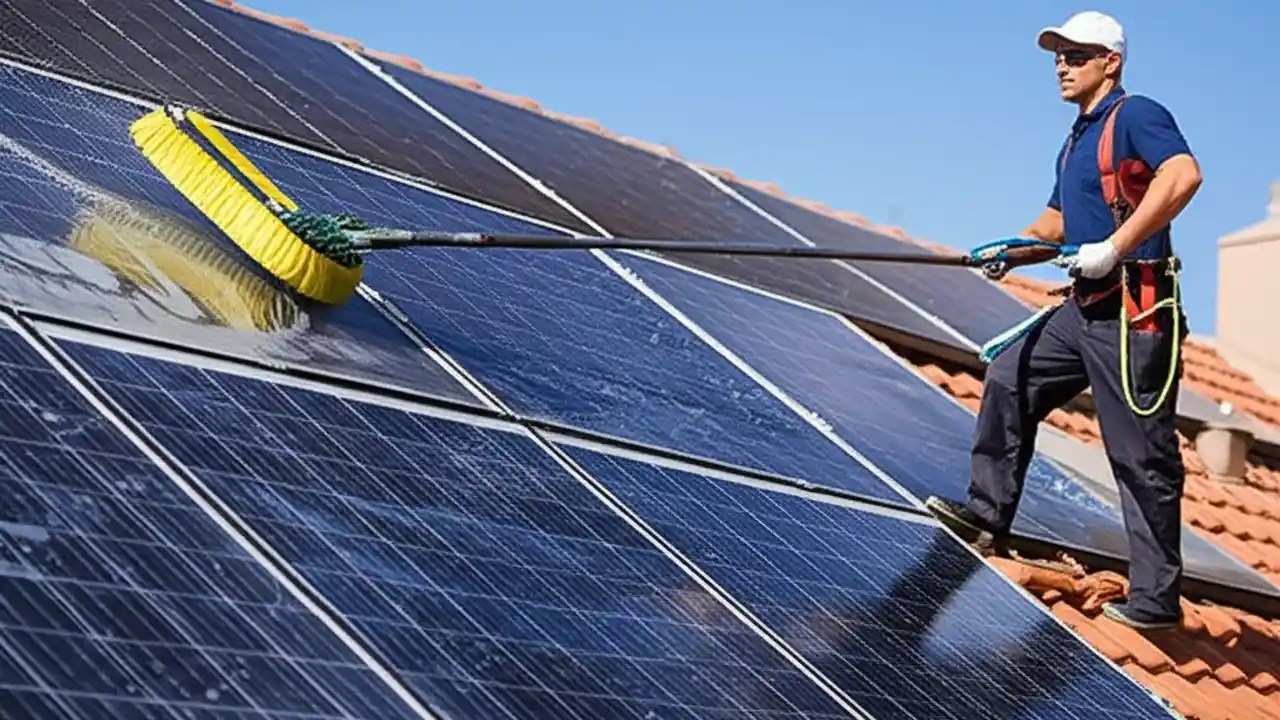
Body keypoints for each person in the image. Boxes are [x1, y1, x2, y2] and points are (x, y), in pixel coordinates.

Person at [926, 10, 1203, 632]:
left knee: (1139, 455)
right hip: (1083, 311)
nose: (1062, 64)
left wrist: (1118, 246)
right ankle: (985, 515)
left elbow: (1184, 175)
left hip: (1136, 314)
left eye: (1077, 54)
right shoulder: (1077, 138)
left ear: (1111, 62)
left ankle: (1156, 600)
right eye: (1058, 54)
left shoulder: (1136, 115)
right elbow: (1055, 226)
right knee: (1009, 375)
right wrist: (1010, 248)